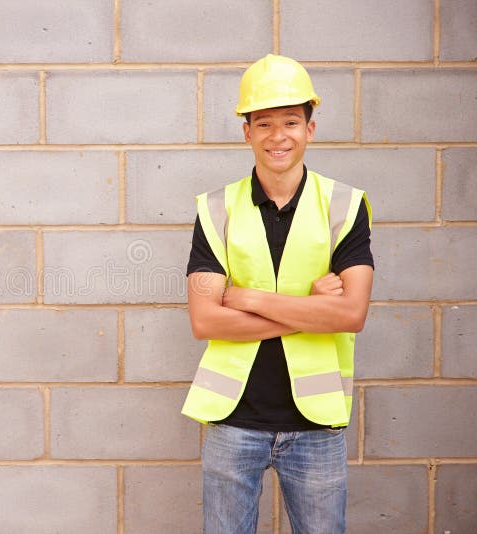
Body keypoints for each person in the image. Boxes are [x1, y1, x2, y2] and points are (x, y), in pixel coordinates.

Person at [182, 54, 374, 533]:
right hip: (233, 420)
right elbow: (205, 321)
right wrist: (312, 308)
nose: (278, 135)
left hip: (316, 425)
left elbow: (351, 314)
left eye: (290, 121)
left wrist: (248, 298)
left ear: (310, 128)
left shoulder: (345, 205)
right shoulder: (216, 209)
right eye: (264, 123)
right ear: (246, 132)